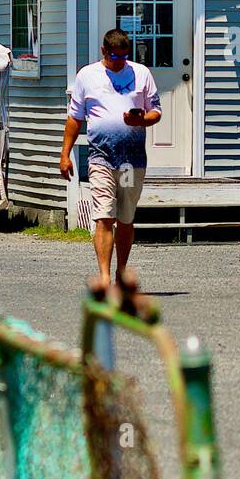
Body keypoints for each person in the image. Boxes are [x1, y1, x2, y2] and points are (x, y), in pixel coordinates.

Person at [60, 29, 162, 286]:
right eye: (114, 56)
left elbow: (156, 112)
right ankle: (104, 277)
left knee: (125, 217)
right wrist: (65, 154)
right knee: (104, 216)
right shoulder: (87, 75)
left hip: (131, 160)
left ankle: (121, 270)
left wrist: (141, 119)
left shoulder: (141, 74)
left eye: (123, 57)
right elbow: (75, 118)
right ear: (104, 51)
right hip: (101, 156)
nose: (119, 62)